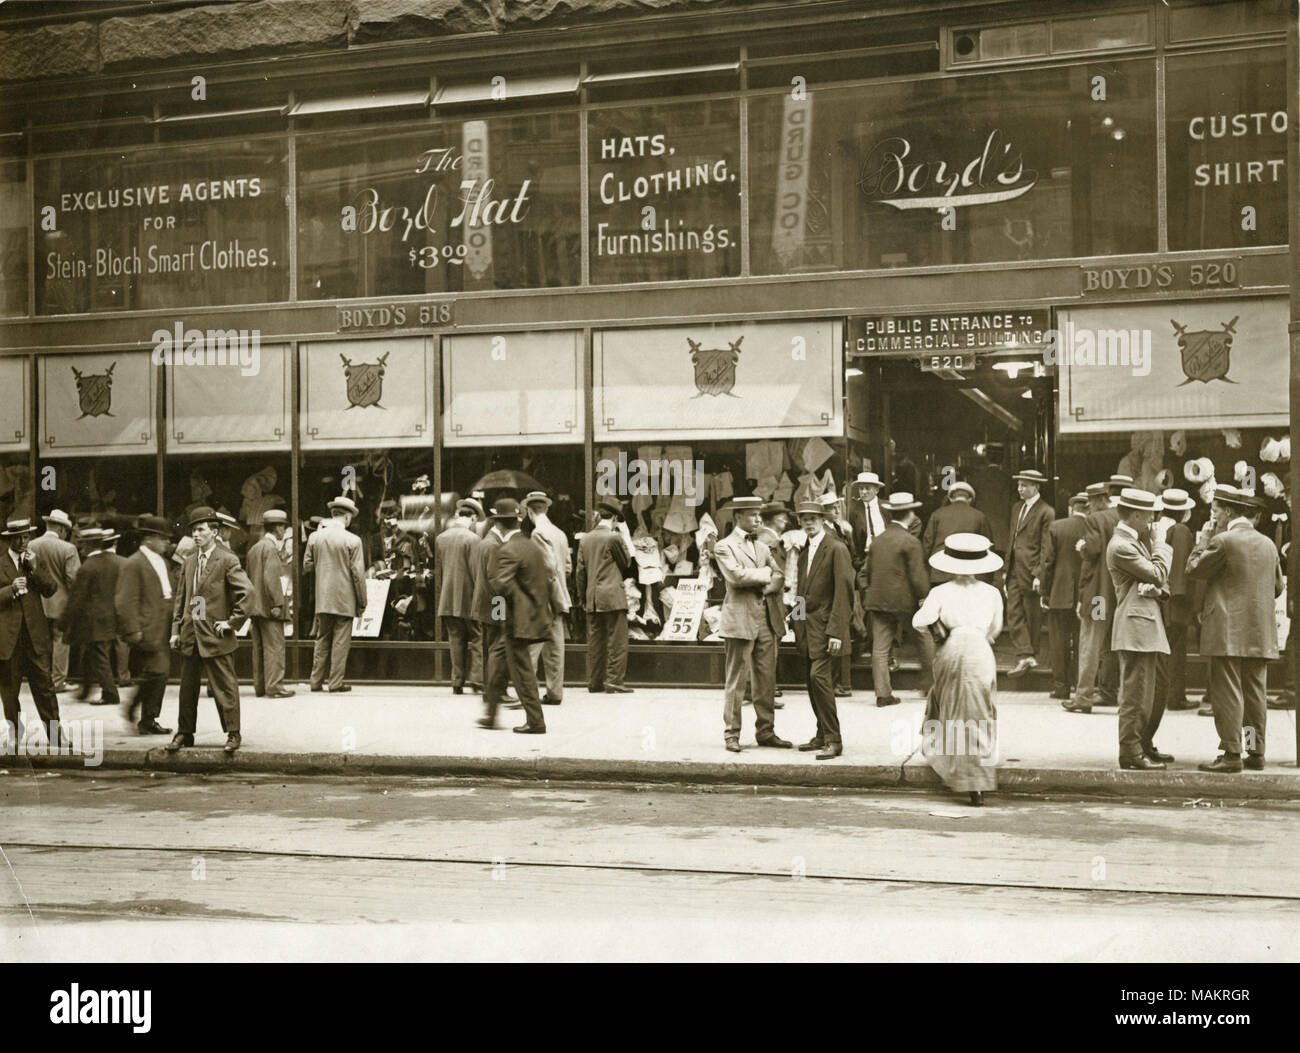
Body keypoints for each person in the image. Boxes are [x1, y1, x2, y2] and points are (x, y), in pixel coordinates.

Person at [1187, 486, 1284, 772]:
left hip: (1227, 629)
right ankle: (1255, 752)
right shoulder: (1268, 544)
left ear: (1229, 512)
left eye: (1215, 511)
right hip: (1259, 630)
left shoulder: (1222, 541)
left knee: (1227, 691)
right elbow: (1277, 587)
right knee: (1255, 692)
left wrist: (1203, 539)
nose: (1212, 516)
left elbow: (1194, 569)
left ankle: (1231, 754)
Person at [913, 533, 1004, 806]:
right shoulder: (992, 593)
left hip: (952, 646)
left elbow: (920, 621)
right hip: (979, 649)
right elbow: (996, 628)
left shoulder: (940, 592)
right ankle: (978, 782)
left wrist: (940, 629)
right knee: (980, 710)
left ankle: (954, 770)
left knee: (952, 707)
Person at [167, 506, 252, 755]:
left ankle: (233, 733)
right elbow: (183, 598)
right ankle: (184, 733)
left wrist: (232, 622)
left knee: (225, 687)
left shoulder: (227, 559)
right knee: (187, 688)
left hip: (216, 635)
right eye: (193, 530)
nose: (195, 535)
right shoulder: (190, 561)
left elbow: (247, 594)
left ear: (214, 532)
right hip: (191, 634)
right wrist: (176, 630)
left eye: (201, 530)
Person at [713, 496, 789, 753]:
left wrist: (763, 582)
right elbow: (735, 577)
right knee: (737, 679)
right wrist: (766, 576)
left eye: (759, 515)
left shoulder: (763, 547)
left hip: (765, 618)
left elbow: (780, 575)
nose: (758, 519)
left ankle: (766, 731)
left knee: (766, 678)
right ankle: (731, 733)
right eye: (752, 515)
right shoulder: (724, 546)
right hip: (740, 619)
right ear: (738, 517)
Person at [1107, 488, 1172, 771]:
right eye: (1148, 515)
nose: (1152, 520)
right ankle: (1131, 752)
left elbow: (1159, 583)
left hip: (1143, 627)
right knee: (1136, 694)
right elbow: (1158, 573)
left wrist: (1157, 589)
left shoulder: (1131, 541)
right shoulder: (1122, 545)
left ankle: (1141, 745)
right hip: (1136, 629)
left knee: (1150, 692)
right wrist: (1161, 543)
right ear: (1135, 514)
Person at [480, 498, 553, 734]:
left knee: (522, 673)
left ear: (499, 524)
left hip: (517, 621)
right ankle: (490, 715)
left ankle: (535, 721)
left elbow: (501, 584)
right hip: (528, 617)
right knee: (500, 664)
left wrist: (512, 607)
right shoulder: (531, 545)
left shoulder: (508, 549)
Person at [791, 501, 854, 759]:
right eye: (804, 518)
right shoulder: (806, 552)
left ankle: (834, 739)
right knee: (811, 681)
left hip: (827, 629)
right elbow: (801, 591)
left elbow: (844, 591)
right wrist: (796, 621)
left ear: (822, 519)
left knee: (819, 678)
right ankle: (821, 735)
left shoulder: (836, 548)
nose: (808, 522)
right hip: (807, 628)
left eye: (813, 518)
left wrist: (837, 631)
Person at [859, 492, 931, 707]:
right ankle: (930, 685)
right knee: (924, 639)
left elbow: (864, 572)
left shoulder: (877, 541)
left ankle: (883, 694)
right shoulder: (910, 541)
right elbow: (918, 575)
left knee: (880, 649)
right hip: (906, 602)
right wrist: (924, 597)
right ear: (909, 514)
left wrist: (869, 591)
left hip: (878, 601)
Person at [0, 518, 62, 747]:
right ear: (9, 539)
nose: (23, 541)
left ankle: (56, 737)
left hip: (34, 637)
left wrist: (35, 569)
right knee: (9, 692)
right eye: (18, 537)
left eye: (26, 537)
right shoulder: (0, 563)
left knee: (45, 688)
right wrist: (9, 590)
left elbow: (51, 589)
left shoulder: (33, 561)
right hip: (9, 640)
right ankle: (16, 734)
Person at [115, 515, 174, 735]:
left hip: (163, 628)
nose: (167, 542)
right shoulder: (134, 563)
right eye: (163, 538)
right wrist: (133, 629)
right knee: (158, 671)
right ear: (149, 539)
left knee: (157, 673)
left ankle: (146, 718)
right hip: (147, 629)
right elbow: (124, 600)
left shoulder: (162, 562)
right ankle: (141, 714)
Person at [304, 496, 367, 693]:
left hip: (322, 598)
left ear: (332, 515)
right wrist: (362, 601)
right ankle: (335, 682)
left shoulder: (315, 537)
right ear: (347, 517)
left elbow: (306, 566)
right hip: (345, 599)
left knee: (322, 638)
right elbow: (358, 574)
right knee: (341, 641)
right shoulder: (353, 540)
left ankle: (315, 681)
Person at [1065, 482, 1116, 712]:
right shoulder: (1120, 515)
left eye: (1090, 503)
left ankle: (1083, 697)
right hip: (1118, 594)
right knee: (1115, 646)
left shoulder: (1095, 520)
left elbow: (1092, 555)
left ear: (1097, 501)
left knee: (1090, 643)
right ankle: (1111, 692)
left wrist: (1082, 547)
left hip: (1098, 595)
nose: (1089, 508)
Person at [575, 497, 634, 694]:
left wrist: (584, 599)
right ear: (615, 518)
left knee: (595, 642)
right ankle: (614, 682)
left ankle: (594, 682)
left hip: (592, 598)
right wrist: (624, 535)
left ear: (600, 515)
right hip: (612, 597)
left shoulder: (585, 539)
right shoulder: (613, 538)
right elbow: (626, 562)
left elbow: (580, 573)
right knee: (616, 641)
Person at [64, 527, 122, 708]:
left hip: (92, 620)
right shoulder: (115, 563)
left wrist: (64, 620)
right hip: (110, 617)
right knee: (90, 655)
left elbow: (77, 598)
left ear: (90, 545)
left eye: (83, 545)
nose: (81, 549)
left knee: (98, 656)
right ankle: (86, 690)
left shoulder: (87, 567)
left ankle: (110, 693)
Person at [1005, 468, 1054, 677]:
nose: (1020, 488)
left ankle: (1030, 654)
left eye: (1024, 485)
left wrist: (1039, 573)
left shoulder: (1046, 511)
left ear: (1036, 487)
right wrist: (1006, 569)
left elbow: (1046, 546)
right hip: (1015, 568)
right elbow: (1012, 539)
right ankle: (1025, 653)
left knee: (1032, 614)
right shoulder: (1017, 508)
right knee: (1013, 610)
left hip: (1032, 568)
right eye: (1019, 485)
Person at [1039, 492, 1088, 700]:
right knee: (1082, 640)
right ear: (1088, 508)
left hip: (1059, 592)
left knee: (1058, 640)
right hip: (1087, 595)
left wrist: (1045, 592)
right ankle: (1080, 685)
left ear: (1071, 508)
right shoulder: (1095, 527)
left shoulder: (1057, 527)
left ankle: (1061, 687)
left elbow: (1048, 562)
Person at [524, 490, 571, 706]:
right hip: (559, 598)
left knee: (531, 648)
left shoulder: (537, 534)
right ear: (547, 509)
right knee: (555, 648)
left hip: (544, 599)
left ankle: (529, 694)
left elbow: (547, 568)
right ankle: (555, 693)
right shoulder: (560, 533)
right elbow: (566, 568)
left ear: (528, 511)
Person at [27, 509, 80, 694]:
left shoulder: (31, 545)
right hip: (61, 604)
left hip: (37, 603)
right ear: (61, 529)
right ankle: (58, 681)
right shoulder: (68, 549)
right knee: (60, 642)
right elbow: (73, 579)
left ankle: (41, 679)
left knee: (39, 642)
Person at [246, 508, 294, 699]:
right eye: (283, 526)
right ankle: (274, 686)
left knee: (258, 648)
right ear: (278, 528)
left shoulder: (254, 548)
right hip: (269, 607)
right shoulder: (271, 548)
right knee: (275, 648)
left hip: (255, 606)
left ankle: (260, 686)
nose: (284, 531)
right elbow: (272, 578)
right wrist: (277, 604)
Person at [436, 500, 482, 694]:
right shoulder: (473, 540)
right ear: (472, 518)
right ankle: (478, 679)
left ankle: (457, 681)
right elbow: (476, 572)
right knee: (479, 638)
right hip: (469, 598)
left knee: (455, 639)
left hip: (447, 598)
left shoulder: (441, 538)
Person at [921, 482, 993, 584]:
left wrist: (927, 573)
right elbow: (988, 546)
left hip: (941, 571)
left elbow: (927, 545)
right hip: (970, 573)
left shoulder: (937, 514)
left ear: (951, 499)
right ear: (970, 499)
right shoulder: (979, 516)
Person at [847, 471, 886, 567]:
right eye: (861, 488)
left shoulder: (886, 507)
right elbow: (851, 538)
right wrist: (856, 560)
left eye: (867, 488)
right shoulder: (854, 510)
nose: (864, 492)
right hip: (865, 560)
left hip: (886, 556)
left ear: (876, 490)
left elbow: (914, 522)